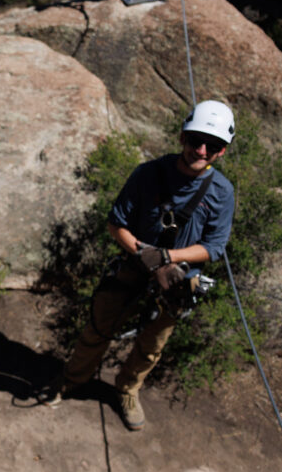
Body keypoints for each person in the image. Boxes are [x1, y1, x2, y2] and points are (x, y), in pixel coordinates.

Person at [47, 100, 236, 429]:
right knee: (99, 327)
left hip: (177, 279)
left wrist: (168, 259)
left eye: (213, 145)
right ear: (183, 137)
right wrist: (145, 255)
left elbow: (214, 247)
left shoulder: (221, 192)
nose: (201, 150)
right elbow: (116, 224)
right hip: (133, 265)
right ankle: (74, 378)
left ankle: (127, 389)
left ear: (222, 151)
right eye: (196, 140)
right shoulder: (149, 174)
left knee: (151, 345)